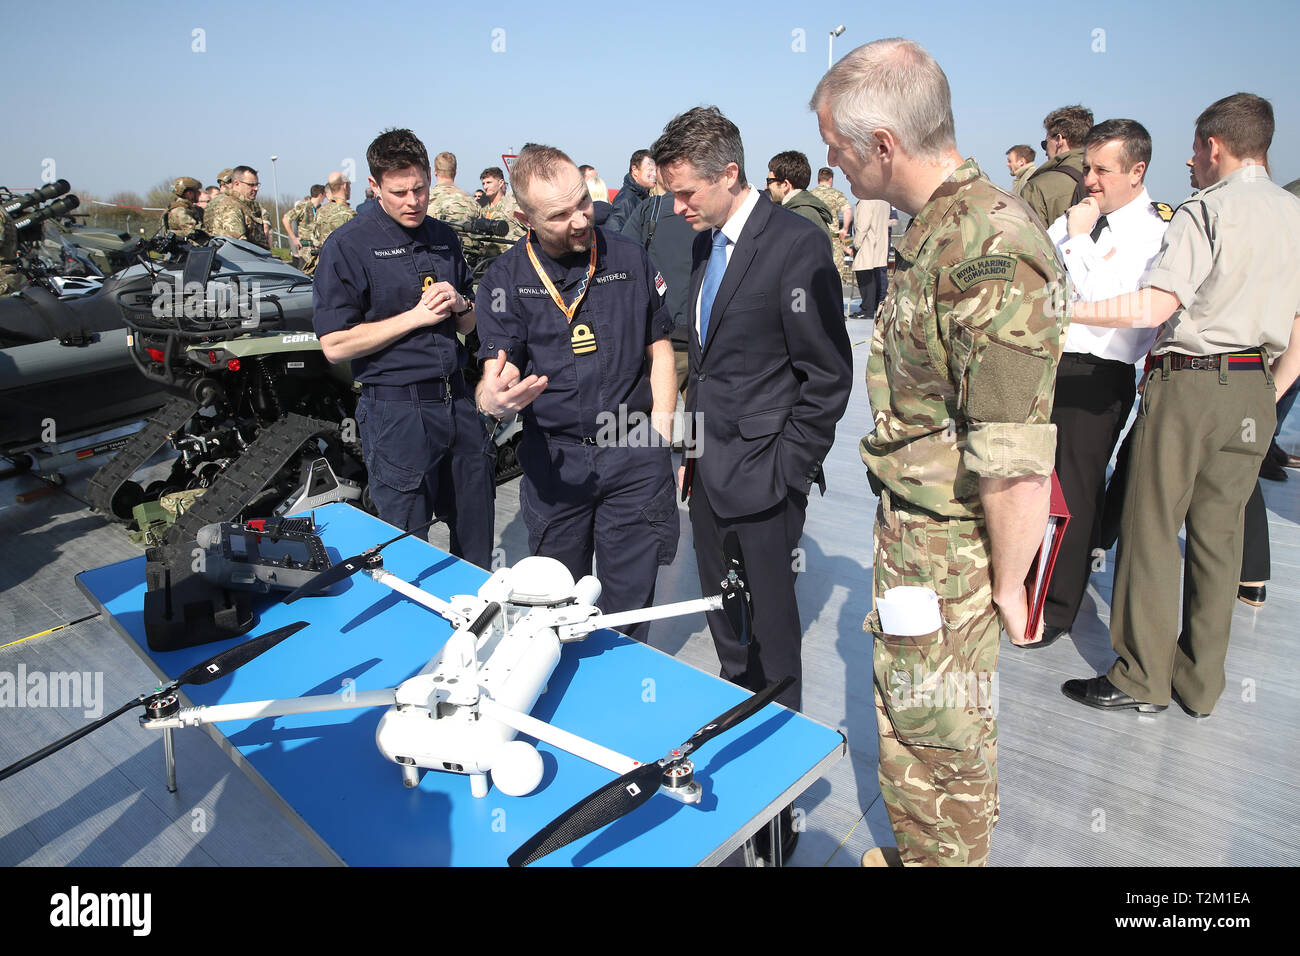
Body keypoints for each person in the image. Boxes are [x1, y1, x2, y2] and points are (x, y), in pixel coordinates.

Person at [813, 38, 1065, 866]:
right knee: (912, 713)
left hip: (953, 546)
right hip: (917, 531)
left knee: (944, 734)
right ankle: (920, 851)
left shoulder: (991, 247)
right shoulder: (938, 231)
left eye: (837, 147)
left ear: (882, 145)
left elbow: (1014, 457)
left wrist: (1004, 585)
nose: (833, 163)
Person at [1062, 92, 1300, 719]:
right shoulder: (1293, 214)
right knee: (1218, 540)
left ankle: (1142, 677)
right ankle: (1200, 684)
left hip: (1192, 381)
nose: (1193, 160)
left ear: (1213, 146)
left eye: (1196, 148)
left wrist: (1064, 309)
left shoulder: (1207, 211)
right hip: (1254, 384)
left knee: (1149, 529)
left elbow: (1152, 307)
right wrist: (1266, 394)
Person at [655, 105, 852, 713]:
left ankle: (779, 752)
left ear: (729, 173)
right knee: (726, 614)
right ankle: (736, 715)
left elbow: (827, 375)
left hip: (767, 475)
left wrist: (786, 470)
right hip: (709, 470)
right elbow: (710, 367)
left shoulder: (797, 246)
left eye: (686, 193)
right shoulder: (704, 244)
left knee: (770, 628)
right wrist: (691, 449)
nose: (676, 206)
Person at [473, 144, 679, 641]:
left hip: (633, 457)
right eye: (560, 214)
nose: (580, 220)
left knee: (628, 611)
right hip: (556, 464)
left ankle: (623, 704)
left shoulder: (628, 257)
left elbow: (661, 349)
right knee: (553, 607)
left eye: (582, 203)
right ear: (523, 217)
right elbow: (493, 373)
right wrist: (492, 400)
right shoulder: (505, 279)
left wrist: (662, 432)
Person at [311, 128, 493, 567]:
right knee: (404, 546)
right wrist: (415, 317)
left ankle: (474, 624)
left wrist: (461, 304)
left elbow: (471, 325)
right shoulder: (348, 247)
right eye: (398, 192)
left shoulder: (444, 238)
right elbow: (335, 345)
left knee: (476, 536)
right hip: (397, 415)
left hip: (457, 404)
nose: (412, 201)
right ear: (374, 187)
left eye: (419, 189)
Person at [1030, 119, 1170, 649]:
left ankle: (1058, 608)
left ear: (1137, 171)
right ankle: (1029, 584)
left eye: (1101, 169)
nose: (1089, 179)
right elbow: (1040, 270)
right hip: (1049, 365)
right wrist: (1073, 232)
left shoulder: (1155, 230)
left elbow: (1112, 300)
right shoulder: (1079, 219)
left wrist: (1081, 238)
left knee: (1076, 491)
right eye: (1086, 167)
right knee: (1033, 483)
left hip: (1097, 375)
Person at [1020, 105, 1093, 228]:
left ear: (1059, 139)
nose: (1045, 150)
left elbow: (1030, 243)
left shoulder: (1037, 188)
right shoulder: (1112, 177)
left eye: (1045, 144)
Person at [765, 151, 836, 258]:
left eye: (769, 181)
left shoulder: (801, 216)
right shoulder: (802, 212)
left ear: (785, 185)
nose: (767, 187)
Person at [204, 166, 269, 249]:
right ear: (236, 183)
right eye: (251, 185)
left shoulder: (244, 204)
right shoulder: (231, 206)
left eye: (257, 184)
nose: (256, 188)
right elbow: (237, 246)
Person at [811, 166, 854, 285]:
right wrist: (844, 229)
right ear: (831, 179)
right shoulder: (837, 195)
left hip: (815, 239)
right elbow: (847, 211)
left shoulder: (810, 195)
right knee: (836, 277)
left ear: (818, 180)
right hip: (833, 239)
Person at [850, 198, 891, 318]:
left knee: (864, 276)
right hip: (879, 243)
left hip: (867, 243)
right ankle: (874, 306)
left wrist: (856, 244)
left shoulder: (866, 202)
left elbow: (863, 226)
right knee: (876, 277)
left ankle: (866, 309)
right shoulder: (884, 201)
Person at [608, 149, 656, 233]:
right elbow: (614, 234)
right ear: (635, 170)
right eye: (650, 169)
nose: (655, 174)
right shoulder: (626, 200)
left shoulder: (643, 198)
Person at [283, 184, 326, 272]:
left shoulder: (320, 209)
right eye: (325, 194)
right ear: (321, 194)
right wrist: (293, 238)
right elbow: (285, 219)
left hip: (316, 250)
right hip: (305, 250)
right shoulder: (303, 206)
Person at [479, 166, 526, 242]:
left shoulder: (511, 206)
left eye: (489, 182)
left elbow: (531, 229)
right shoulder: (483, 211)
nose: (485, 187)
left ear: (500, 183)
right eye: (483, 183)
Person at [314, 173, 355, 250]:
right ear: (345, 185)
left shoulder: (320, 211)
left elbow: (315, 239)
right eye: (349, 185)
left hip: (321, 259)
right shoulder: (349, 214)